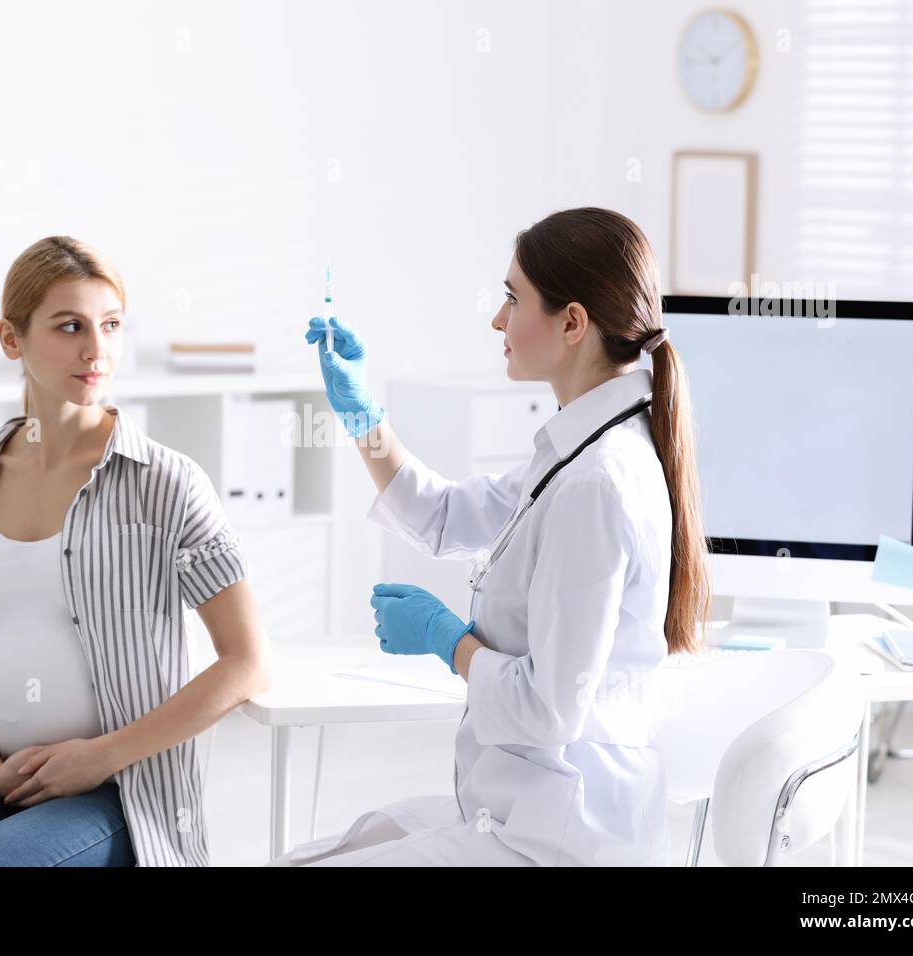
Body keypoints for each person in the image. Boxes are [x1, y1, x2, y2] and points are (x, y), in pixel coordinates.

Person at [277, 207, 711, 866]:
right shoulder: (582, 448)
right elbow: (446, 516)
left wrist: (450, 641)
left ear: (572, 322)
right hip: (519, 810)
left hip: (562, 835)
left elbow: (548, 713)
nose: (498, 320)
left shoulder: (598, 482)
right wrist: (360, 412)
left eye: (513, 299)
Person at [0, 236, 271, 867]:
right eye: (70, 327)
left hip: (120, 792)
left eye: (111, 326)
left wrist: (96, 757)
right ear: (11, 339)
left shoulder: (165, 483)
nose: (96, 350)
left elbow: (248, 664)